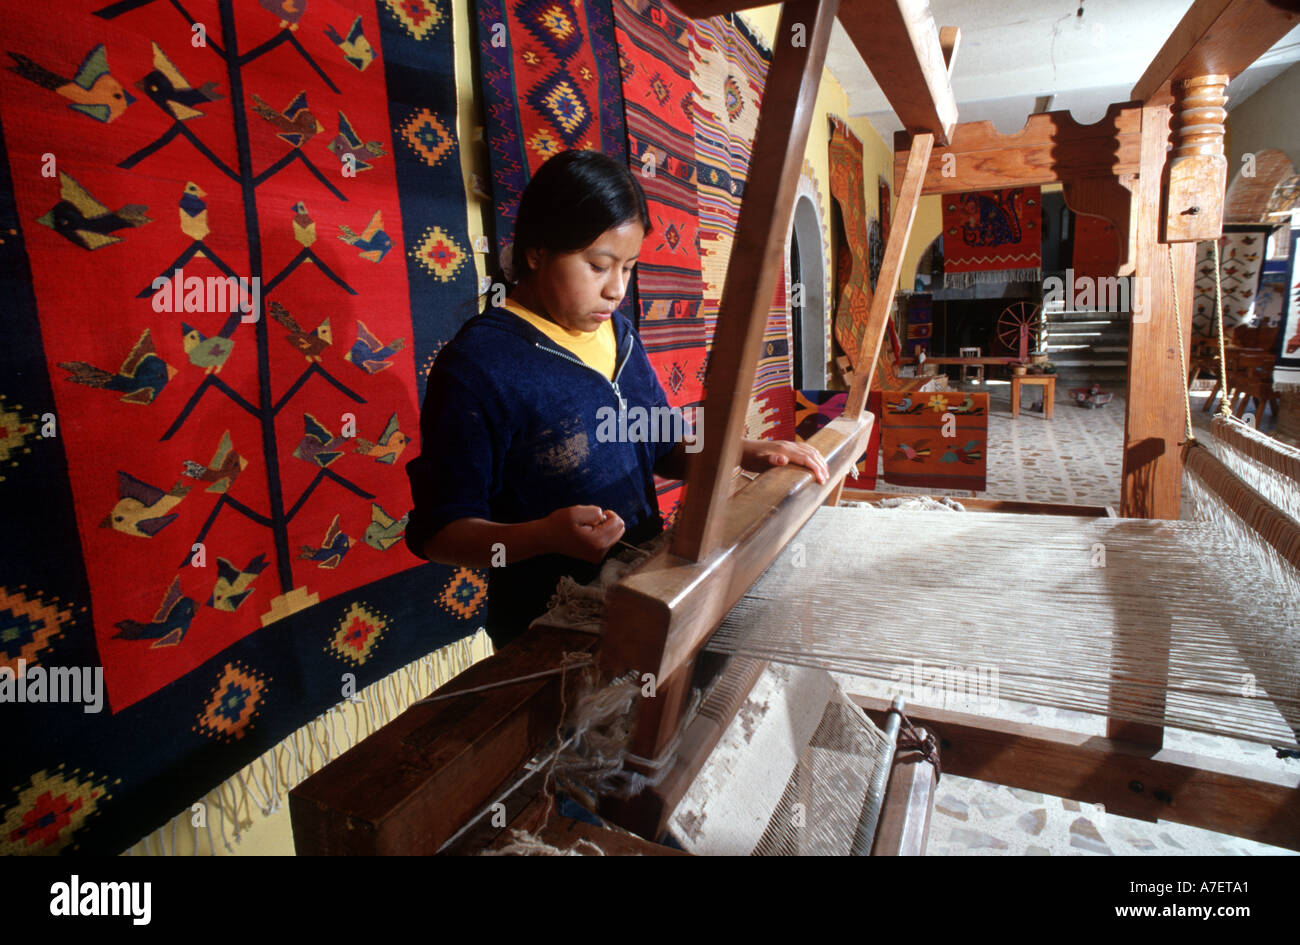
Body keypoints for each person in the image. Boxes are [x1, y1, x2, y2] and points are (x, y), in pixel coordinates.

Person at [404, 149, 827, 649]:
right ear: (537, 253)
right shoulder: (479, 367)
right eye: (599, 266)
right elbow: (440, 534)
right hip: (549, 627)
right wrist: (543, 535)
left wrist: (746, 449)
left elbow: (660, 443)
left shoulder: (618, 335)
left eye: (628, 267)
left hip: (643, 592)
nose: (617, 291)